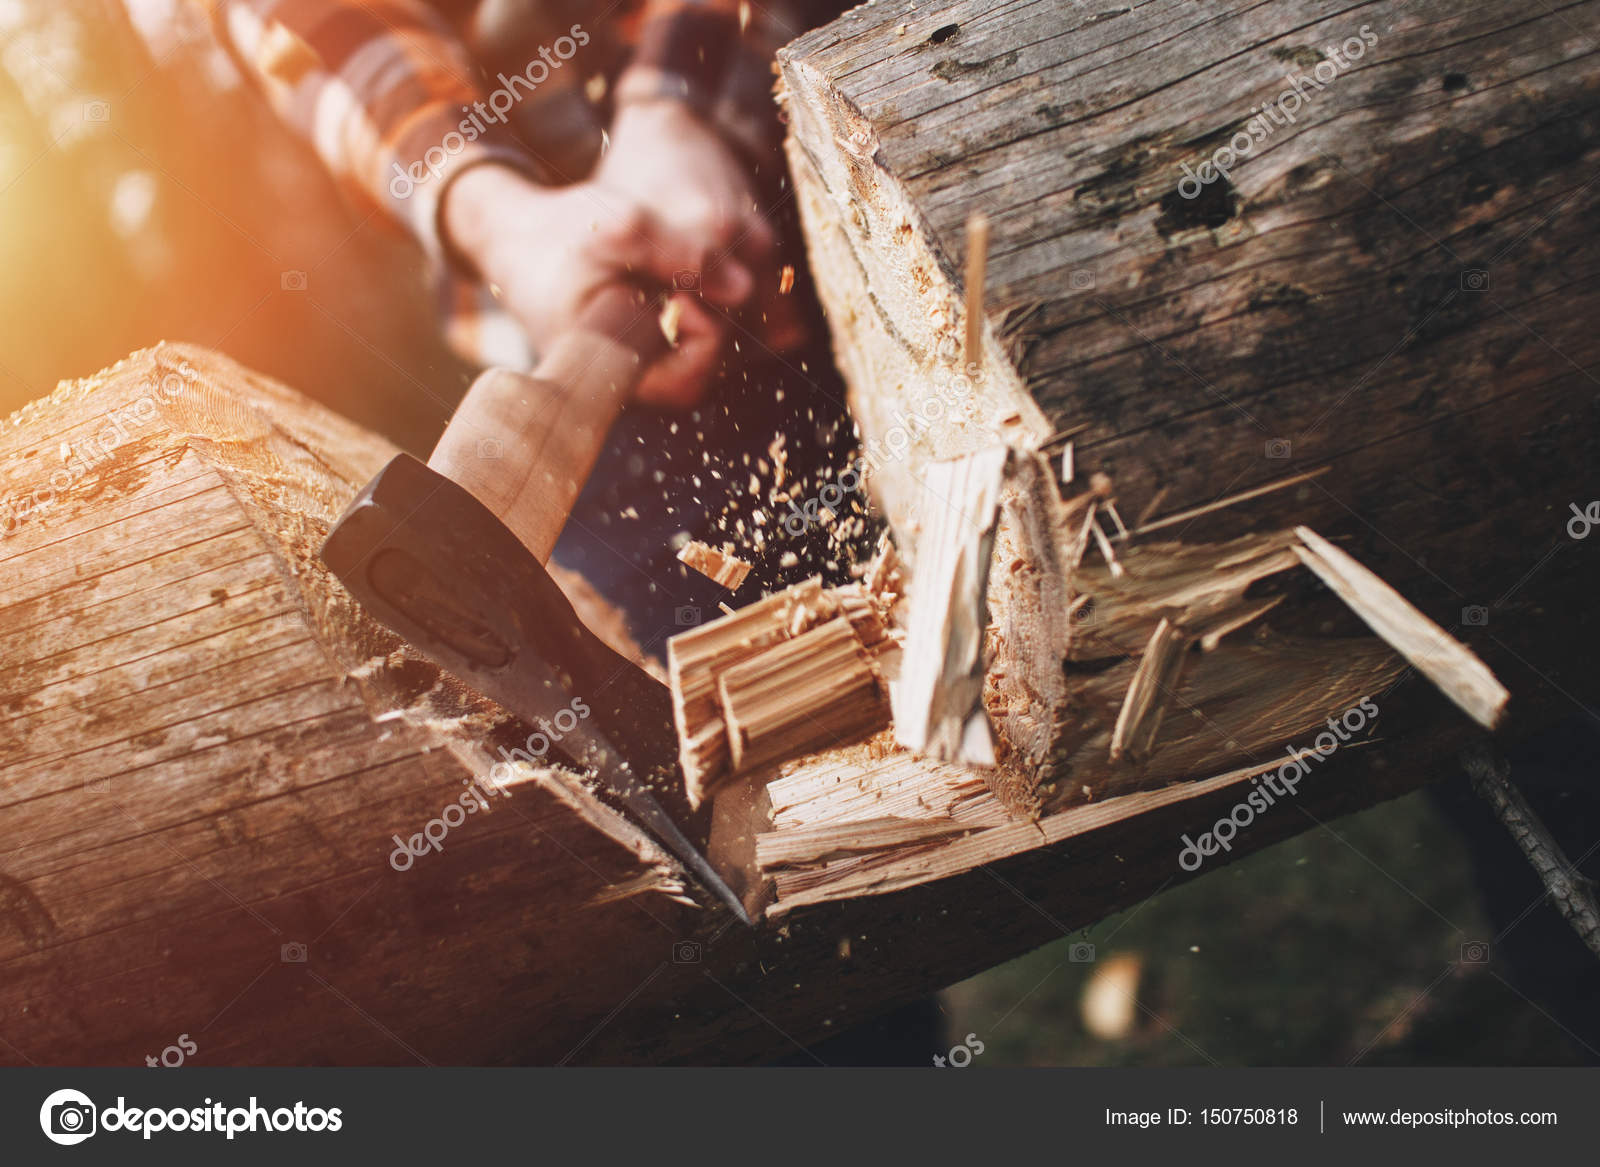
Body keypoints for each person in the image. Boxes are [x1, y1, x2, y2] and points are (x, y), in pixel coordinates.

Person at [201, 0, 859, 638]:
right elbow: (320, 22)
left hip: (836, 262)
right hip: (593, 435)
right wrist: (496, 218)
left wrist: (673, 98)